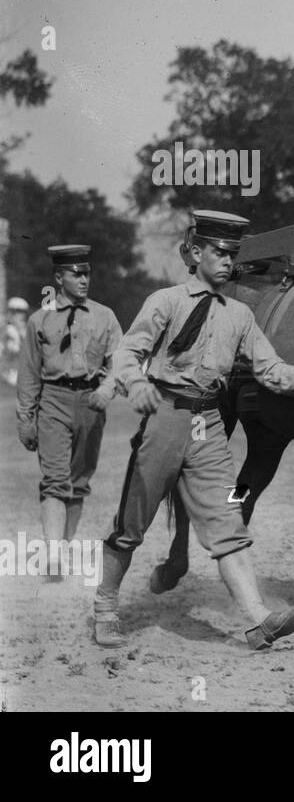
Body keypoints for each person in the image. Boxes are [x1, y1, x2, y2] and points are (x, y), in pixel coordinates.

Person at [93, 210, 294, 649]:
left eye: (233, 254)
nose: (227, 262)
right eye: (219, 252)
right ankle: (105, 608)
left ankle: (258, 620)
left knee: (226, 520)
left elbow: (270, 371)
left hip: (209, 426)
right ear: (195, 253)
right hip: (163, 417)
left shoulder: (240, 315)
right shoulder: (165, 301)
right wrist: (137, 383)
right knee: (131, 523)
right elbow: (127, 352)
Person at [15, 247, 121, 579]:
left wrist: (107, 389)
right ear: (59, 278)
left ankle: (64, 545)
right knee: (55, 481)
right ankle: (54, 556)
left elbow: (119, 363)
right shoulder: (39, 319)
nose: (83, 280)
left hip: (91, 402)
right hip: (54, 400)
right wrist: (25, 418)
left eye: (86, 273)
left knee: (78, 481)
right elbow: (30, 372)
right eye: (76, 274)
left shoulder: (105, 316)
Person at [3, 296, 29, 387]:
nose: (16, 315)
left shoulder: (26, 330)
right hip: (6, 372)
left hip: (19, 373)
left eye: (20, 312)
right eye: (13, 312)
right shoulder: (5, 329)